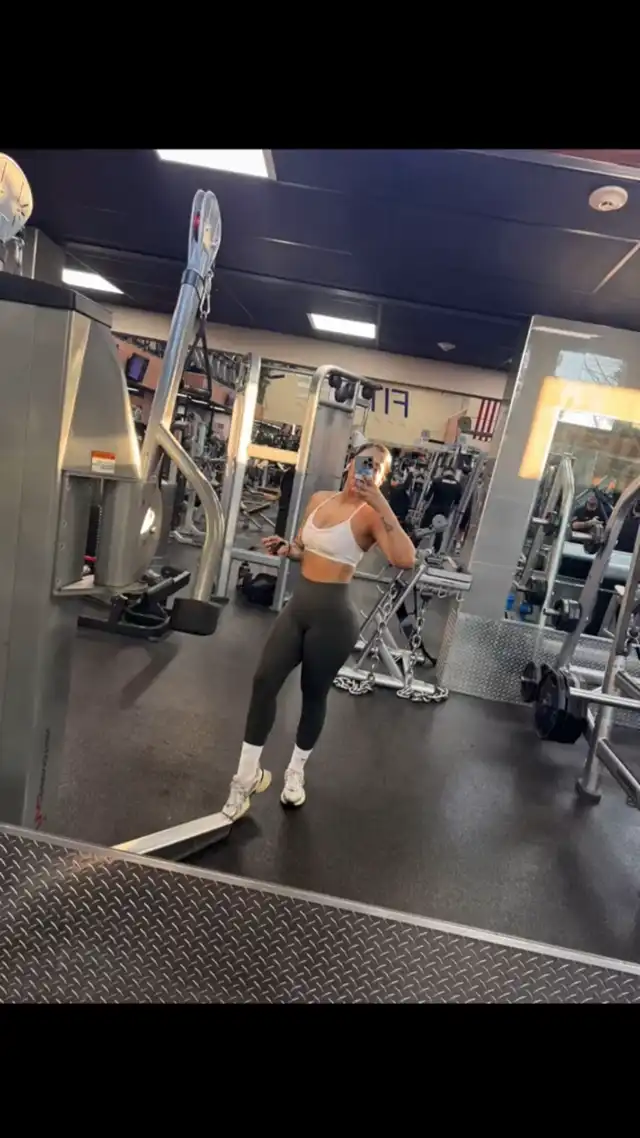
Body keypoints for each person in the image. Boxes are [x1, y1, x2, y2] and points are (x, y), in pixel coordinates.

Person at [222, 443, 416, 820]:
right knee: (263, 681)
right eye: (365, 461)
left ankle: (295, 772)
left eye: (378, 467)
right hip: (298, 608)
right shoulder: (319, 500)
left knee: (313, 696)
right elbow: (304, 548)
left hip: (333, 619)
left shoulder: (371, 514)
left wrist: (381, 502)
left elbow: (405, 559)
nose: (369, 469)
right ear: (349, 463)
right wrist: (288, 549)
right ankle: (245, 779)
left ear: (383, 477)